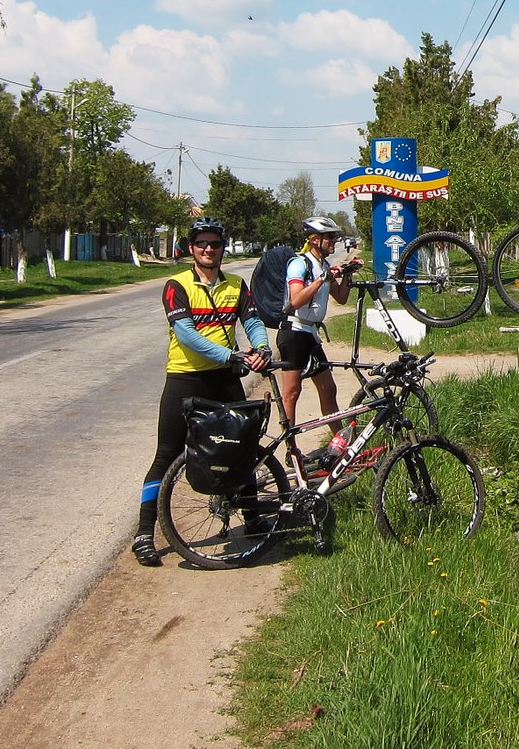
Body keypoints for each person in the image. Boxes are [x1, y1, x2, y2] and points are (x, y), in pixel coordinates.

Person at [133, 216, 270, 566]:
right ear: (190, 248)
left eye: (215, 244)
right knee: (166, 455)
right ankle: (144, 534)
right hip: (185, 378)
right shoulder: (176, 285)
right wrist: (233, 355)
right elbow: (186, 335)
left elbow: (252, 321)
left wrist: (262, 348)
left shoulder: (236, 285)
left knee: (243, 449)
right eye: (201, 244)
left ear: (223, 248)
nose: (209, 249)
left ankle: (252, 518)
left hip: (225, 378)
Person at [277, 215, 360, 440]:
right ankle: (289, 446)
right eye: (330, 237)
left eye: (334, 237)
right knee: (292, 393)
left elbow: (341, 298)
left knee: (328, 389)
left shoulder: (323, 266)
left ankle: (341, 442)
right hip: (293, 333)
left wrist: (347, 275)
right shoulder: (299, 264)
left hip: (311, 334)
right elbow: (294, 301)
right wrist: (321, 279)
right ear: (315, 240)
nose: (334, 241)